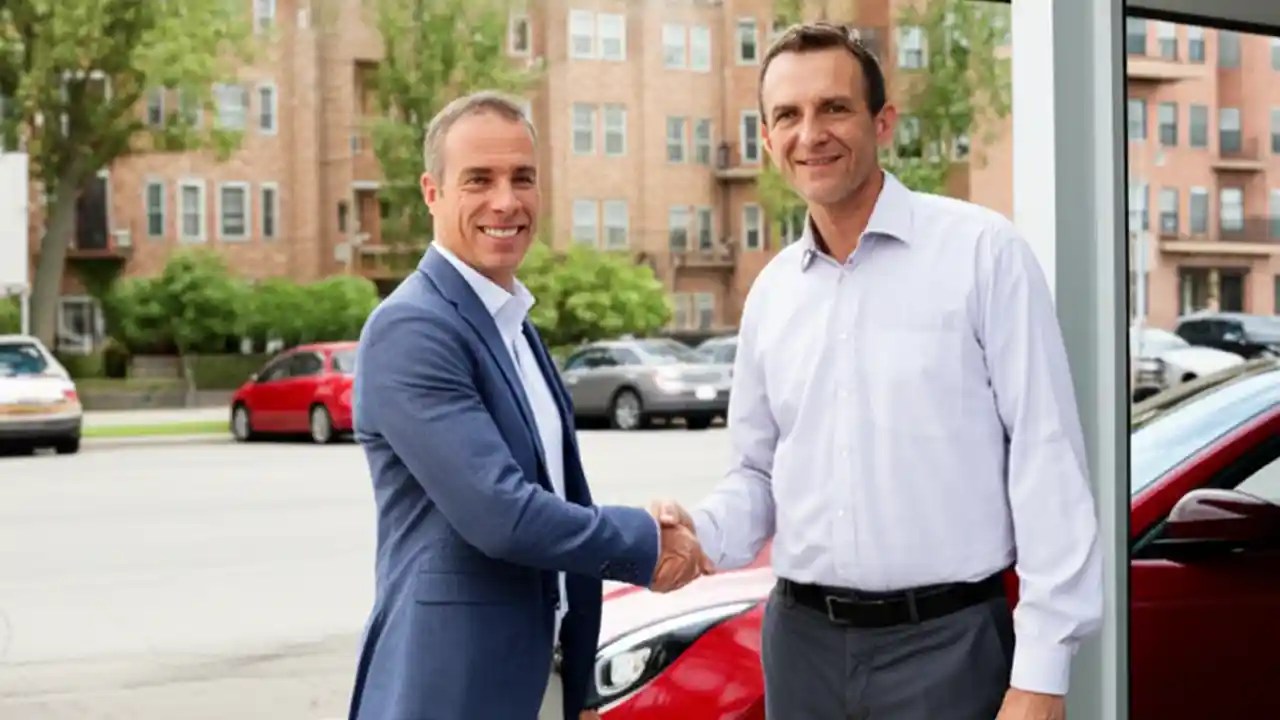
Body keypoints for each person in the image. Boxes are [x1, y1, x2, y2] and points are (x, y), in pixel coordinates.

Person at [652, 22, 1103, 720]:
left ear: (882, 120)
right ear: (768, 141)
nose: (812, 133)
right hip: (801, 648)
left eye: (834, 108)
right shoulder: (772, 293)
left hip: (948, 649)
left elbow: (1046, 462)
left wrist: (1041, 674)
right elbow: (756, 475)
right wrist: (699, 534)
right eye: (788, 116)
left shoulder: (983, 255)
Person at [346, 90, 712, 720]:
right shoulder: (413, 327)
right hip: (452, 687)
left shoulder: (515, 326)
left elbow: (551, 503)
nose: (505, 201)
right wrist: (645, 542)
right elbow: (500, 513)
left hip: (535, 681)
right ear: (431, 193)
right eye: (478, 180)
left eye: (523, 178)